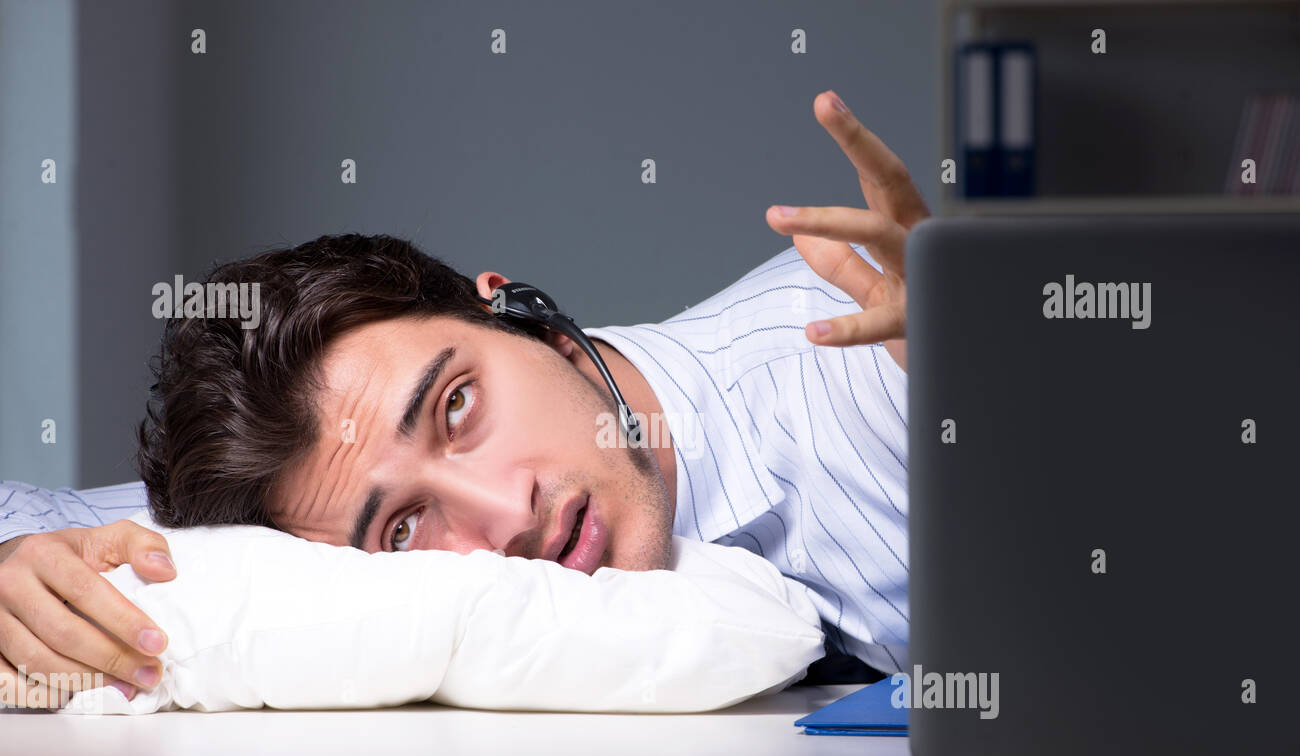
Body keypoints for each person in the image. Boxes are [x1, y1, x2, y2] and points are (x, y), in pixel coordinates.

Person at [0, 90, 927, 708]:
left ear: (527, 318)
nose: (504, 515)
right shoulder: (301, 524)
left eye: (455, 409)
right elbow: (64, 530)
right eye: (401, 528)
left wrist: (1011, 369)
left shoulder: (877, 348)